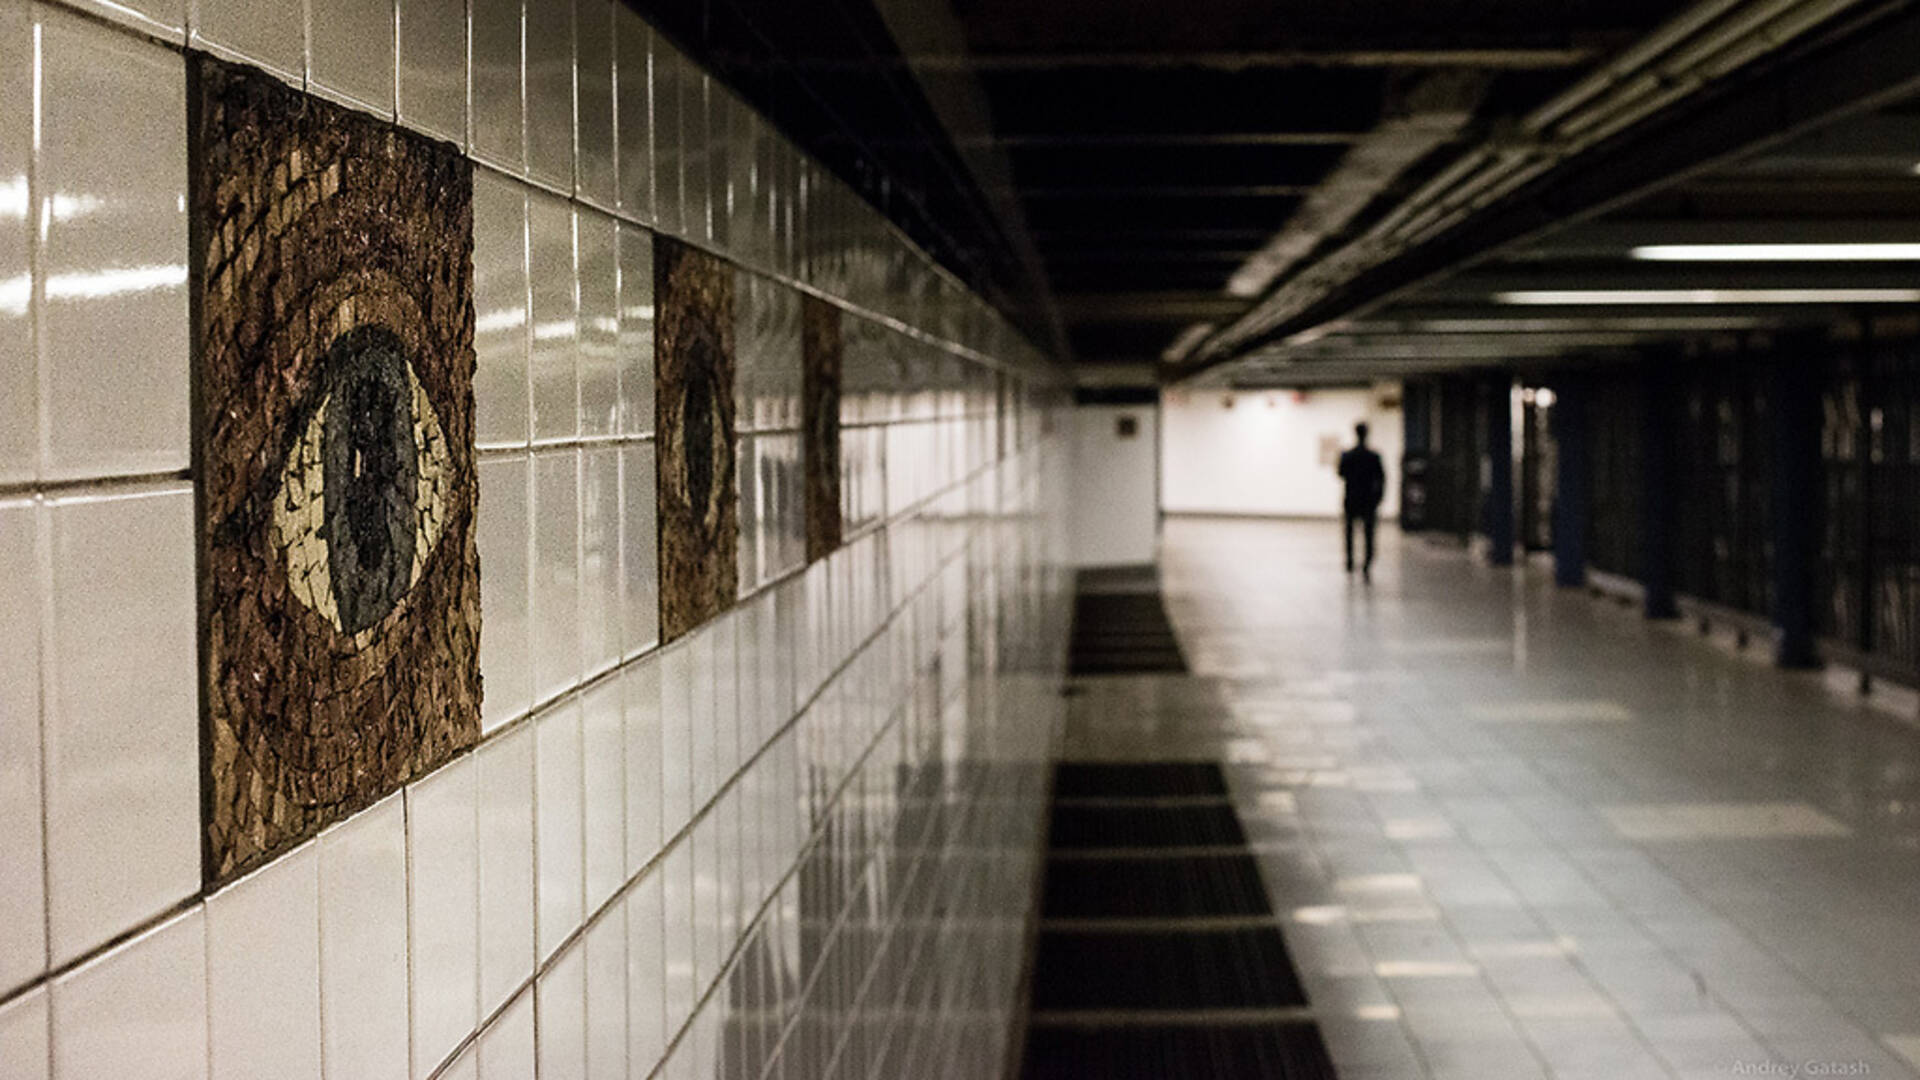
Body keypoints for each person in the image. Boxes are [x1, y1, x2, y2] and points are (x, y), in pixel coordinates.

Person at [1338, 422, 1386, 581]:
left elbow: (1340, 473)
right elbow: (1381, 479)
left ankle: (1350, 562)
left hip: (1351, 498)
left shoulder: (1348, 455)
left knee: (1350, 532)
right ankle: (1366, 563)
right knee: (1368, 534)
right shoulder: (1373, 456)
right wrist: (1379, 497)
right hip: (1368, 500)